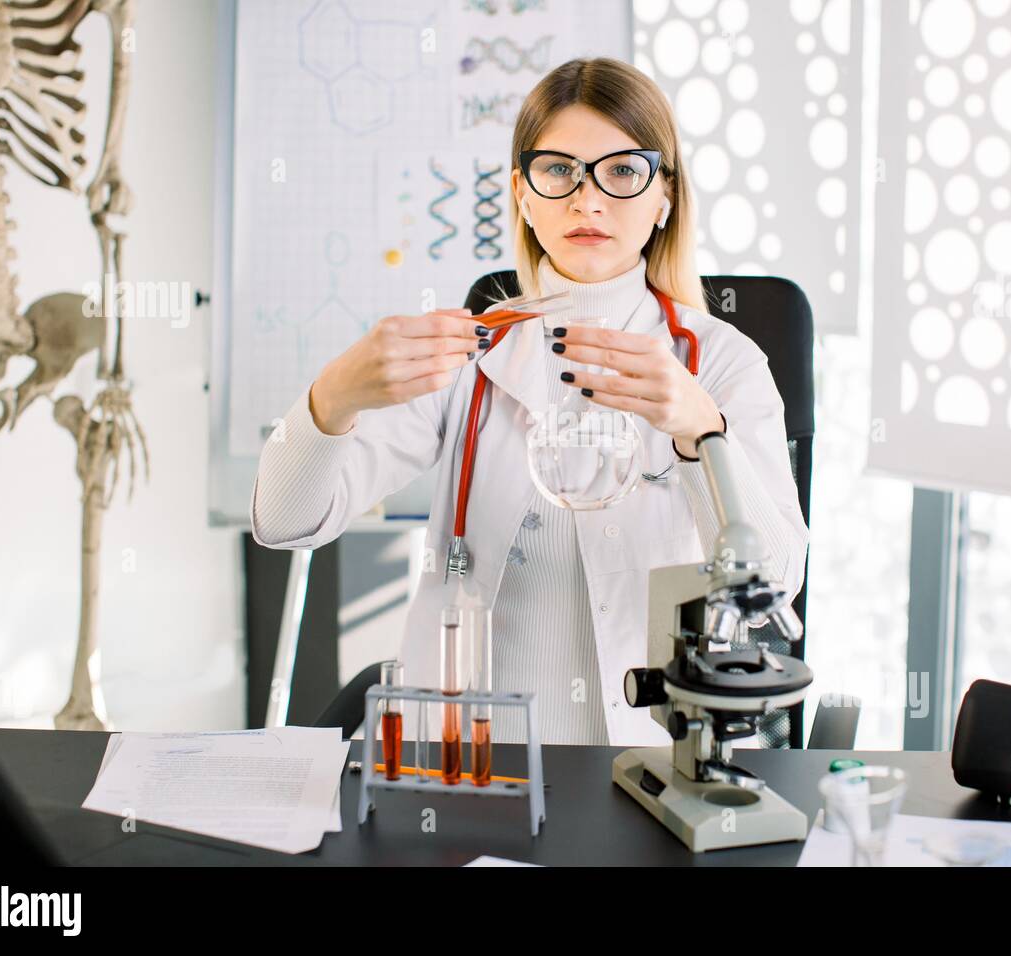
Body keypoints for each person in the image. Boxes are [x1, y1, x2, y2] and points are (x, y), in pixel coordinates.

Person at [251, 57, 808, 747]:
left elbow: (775, 585)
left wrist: (700, 430)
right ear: (522, 192)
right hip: (469, 761)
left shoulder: (722, 363)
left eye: (623, 171)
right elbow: (286, 523)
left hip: (655, 764)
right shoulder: (469, 355)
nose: (587, 200)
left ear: (665, 195)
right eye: (558, 170)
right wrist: (332, 397)